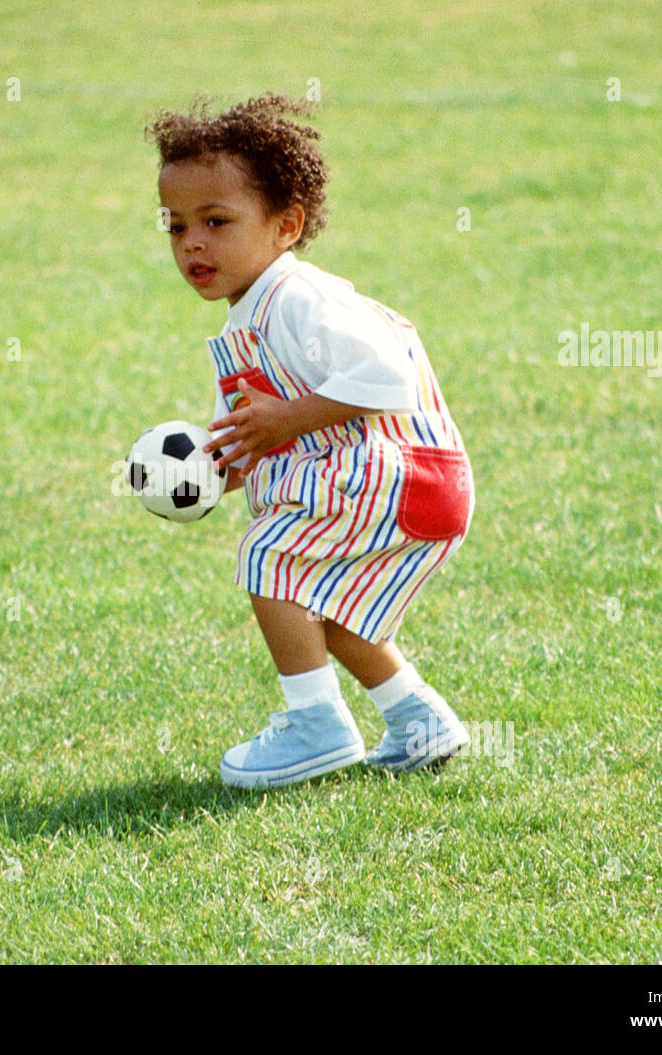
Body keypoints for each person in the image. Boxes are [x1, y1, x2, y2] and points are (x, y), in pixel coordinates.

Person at [147, 93, 476, 789]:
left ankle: (316, 725)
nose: (192, 243)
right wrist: (216, 468)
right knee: (317, 597)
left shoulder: (301, 298)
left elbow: (388, 372)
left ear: (286, 225)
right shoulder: (244, 322)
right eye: (176, 226)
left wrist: (287, 420)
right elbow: (248, 436)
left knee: (271, 554)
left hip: (406, 471)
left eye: (216, 221)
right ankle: (418, 718)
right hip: (398, 481)